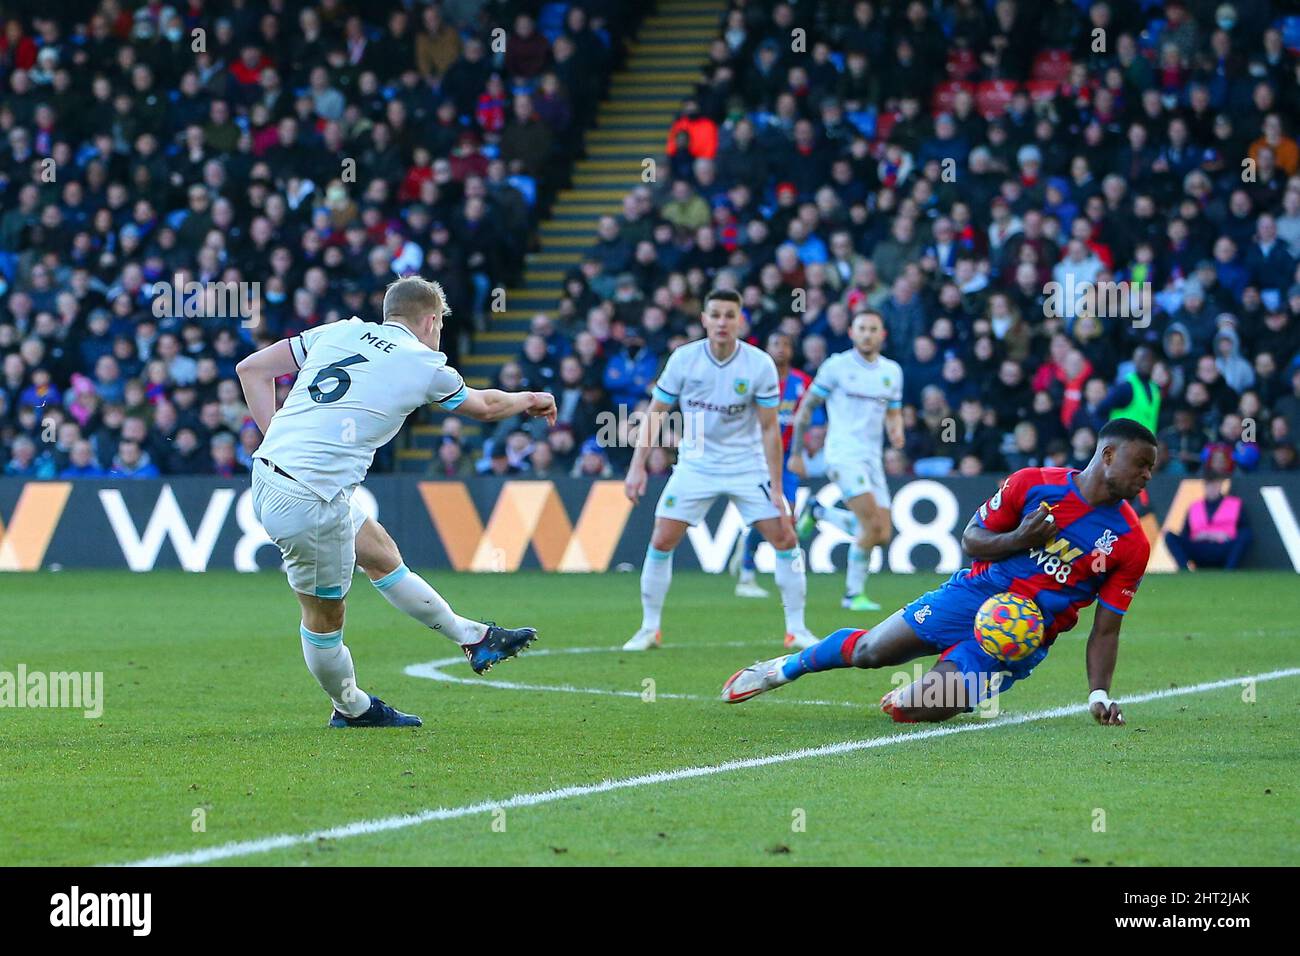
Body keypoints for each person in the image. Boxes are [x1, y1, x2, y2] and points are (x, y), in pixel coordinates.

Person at [237, 277, 556, 728]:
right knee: (325, 616)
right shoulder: (422, 362)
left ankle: (475, 638)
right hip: (311, 498)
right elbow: (484, 406)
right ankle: (352, 708)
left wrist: (279, 441)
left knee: (381, 555)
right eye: (439, 326)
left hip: (277, 475)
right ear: (430, 321)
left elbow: (251, 369)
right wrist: (532, 398)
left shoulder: (339, 330)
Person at [722, 418, 1158, 728]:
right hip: (973, 595)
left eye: (1151, 469)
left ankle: (931, 694)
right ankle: (785, 668)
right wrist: (1019, 539)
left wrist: (1098, 694)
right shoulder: (1033, 484)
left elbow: (1106, 630)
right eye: (1141, 464)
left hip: (1018, 636)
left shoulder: (1131, 542)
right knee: (872, 652)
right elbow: (972, 539)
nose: (1146, 476)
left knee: (912, 711)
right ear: (1108, 454)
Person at [622, 288, 815, 650]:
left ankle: (796, 629)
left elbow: (771, 428)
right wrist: (638, 467)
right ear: (704, 319)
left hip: (746, 463)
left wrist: (775, 487)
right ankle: (650, 628)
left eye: (730, 315)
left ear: (740, 320)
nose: (723, 322)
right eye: (716, 314)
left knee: (786, 537)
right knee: (662, 538)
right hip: (696, 462)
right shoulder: (684, 359)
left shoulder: (759, 364)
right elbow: (655, 415)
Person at [789, 311, 905, 611]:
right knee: (869, 524)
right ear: (852, 333)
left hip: (872, 459)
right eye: (862, 328)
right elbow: (806, 408)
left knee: (882, 534)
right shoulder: (836, 367)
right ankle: (853, 595)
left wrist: (896, 431)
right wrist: (796, 453)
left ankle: (819, 512)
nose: (867, 334)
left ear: (882, 335)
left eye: (873, 329)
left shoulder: (892, 372)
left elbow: (893, 410)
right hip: (842, 454)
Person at [732, 330, 815, 599]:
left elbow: (806, 421)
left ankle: (749, 559)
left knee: (785, 516)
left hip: (788, 457)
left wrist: (800, 453)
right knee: (769, 514)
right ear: (766, 348)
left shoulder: (802, 382)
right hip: (758, 457)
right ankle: (746, 575)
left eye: (786, 344)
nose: (781, 348)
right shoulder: (755, 379)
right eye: (776, 343)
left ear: (792, 350)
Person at [1163, 466, 1253, 570]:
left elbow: (1244, 530)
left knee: (1246, 535)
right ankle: (1184, 571)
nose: (1212, 488)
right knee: (1169, 536)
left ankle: (1230, 570)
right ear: (1204, 486)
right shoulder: (1194, 507)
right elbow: (1185, 534)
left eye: (1215, 484)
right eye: (1208, 484)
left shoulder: (1235, 504)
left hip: (1223, 547)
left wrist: (1225, 536)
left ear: (1220, 485)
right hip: (1200, 547)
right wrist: (1199, 536)